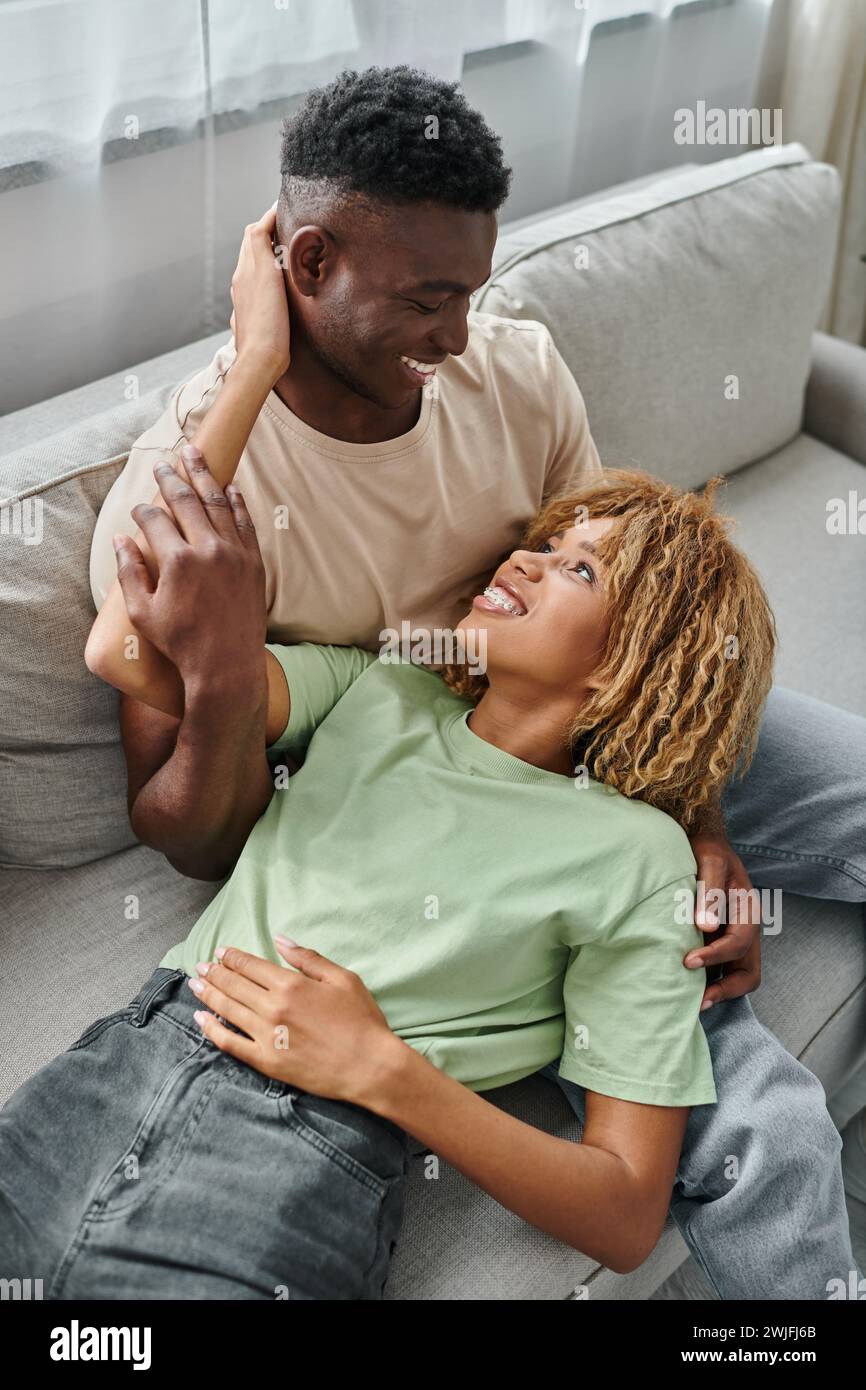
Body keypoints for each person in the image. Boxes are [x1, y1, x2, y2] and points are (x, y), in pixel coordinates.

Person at [83, 65, 865, 1299]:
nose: (455, 337)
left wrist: (697, 819)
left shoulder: (511, 371)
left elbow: (632, 602)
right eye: (426, 298)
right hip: (432, 749)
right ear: (306, 266)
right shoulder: (201, 479)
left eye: (471, 292)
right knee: (760, 1125)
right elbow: (177, 819)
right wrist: (246, 377)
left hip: (599, 700)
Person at [4, 428, 779, 1295]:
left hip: (299, 1146)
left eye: (580, 571)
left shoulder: (641, 858)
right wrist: (251, 371)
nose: (525, 560)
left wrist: (383, 1070)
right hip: (118, 1068)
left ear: (630, 667)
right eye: (547, 543)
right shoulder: (378, 685)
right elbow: (123, 651)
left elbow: (627, 1210)